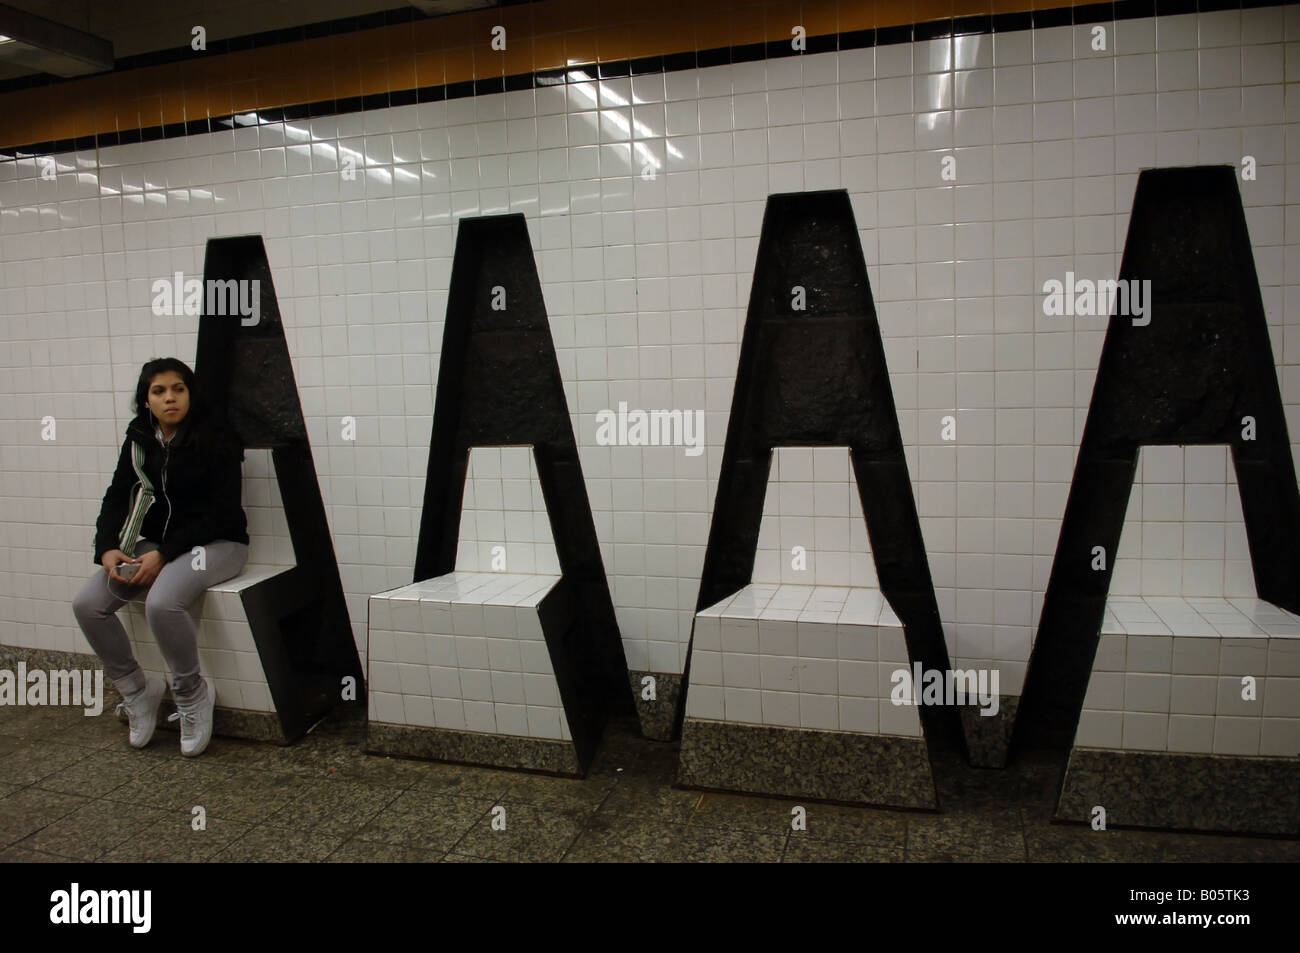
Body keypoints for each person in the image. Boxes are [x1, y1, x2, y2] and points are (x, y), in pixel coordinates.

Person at [72, 358, 250, 757]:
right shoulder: (139, 438)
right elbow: (117, 497)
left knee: (163, 602)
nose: (170, 398)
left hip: (219, 545)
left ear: (190, 393)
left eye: (178, 389)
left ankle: (192, 694)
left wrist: (165, 555)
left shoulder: (216, 436)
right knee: (87, 605)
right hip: (154, 545)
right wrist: (107, 547)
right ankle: (137, 689)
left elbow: (223, 513)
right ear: (146, 399)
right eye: (159, 391)